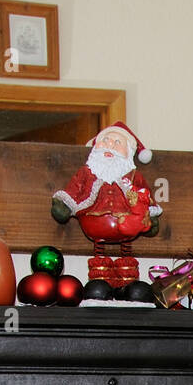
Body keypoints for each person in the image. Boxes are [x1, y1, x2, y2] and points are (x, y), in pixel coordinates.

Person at [51, 122, 162, 287]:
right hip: (94, 223)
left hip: (127, 225)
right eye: (106, 140)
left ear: (129, 152)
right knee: (99, 255)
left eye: (118, 142)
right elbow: (74, 190)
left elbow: (145, 196)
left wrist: (149, 217)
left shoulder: (134, 176)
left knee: (127, 255)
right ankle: (99, 277)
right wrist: (64, 205)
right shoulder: (87, 173)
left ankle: (127, 278)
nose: (110, 145)